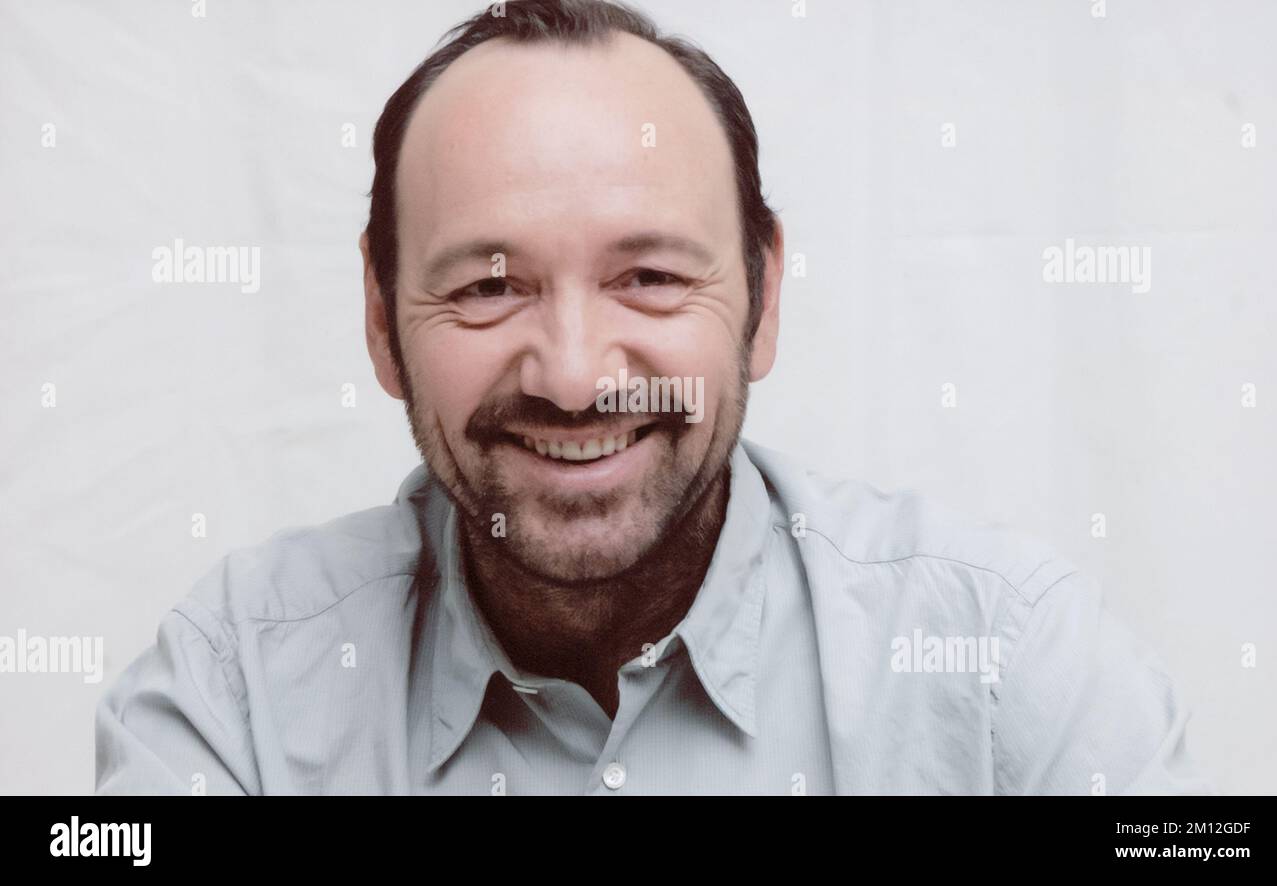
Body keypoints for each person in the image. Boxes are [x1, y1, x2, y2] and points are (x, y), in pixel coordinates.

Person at [95, 0, 1211, 795]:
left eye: (651, 277)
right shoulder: (234, 692)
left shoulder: (1004, 660)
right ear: (383, 322)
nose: (575, 376)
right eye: (489, 286)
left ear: (762, 300)